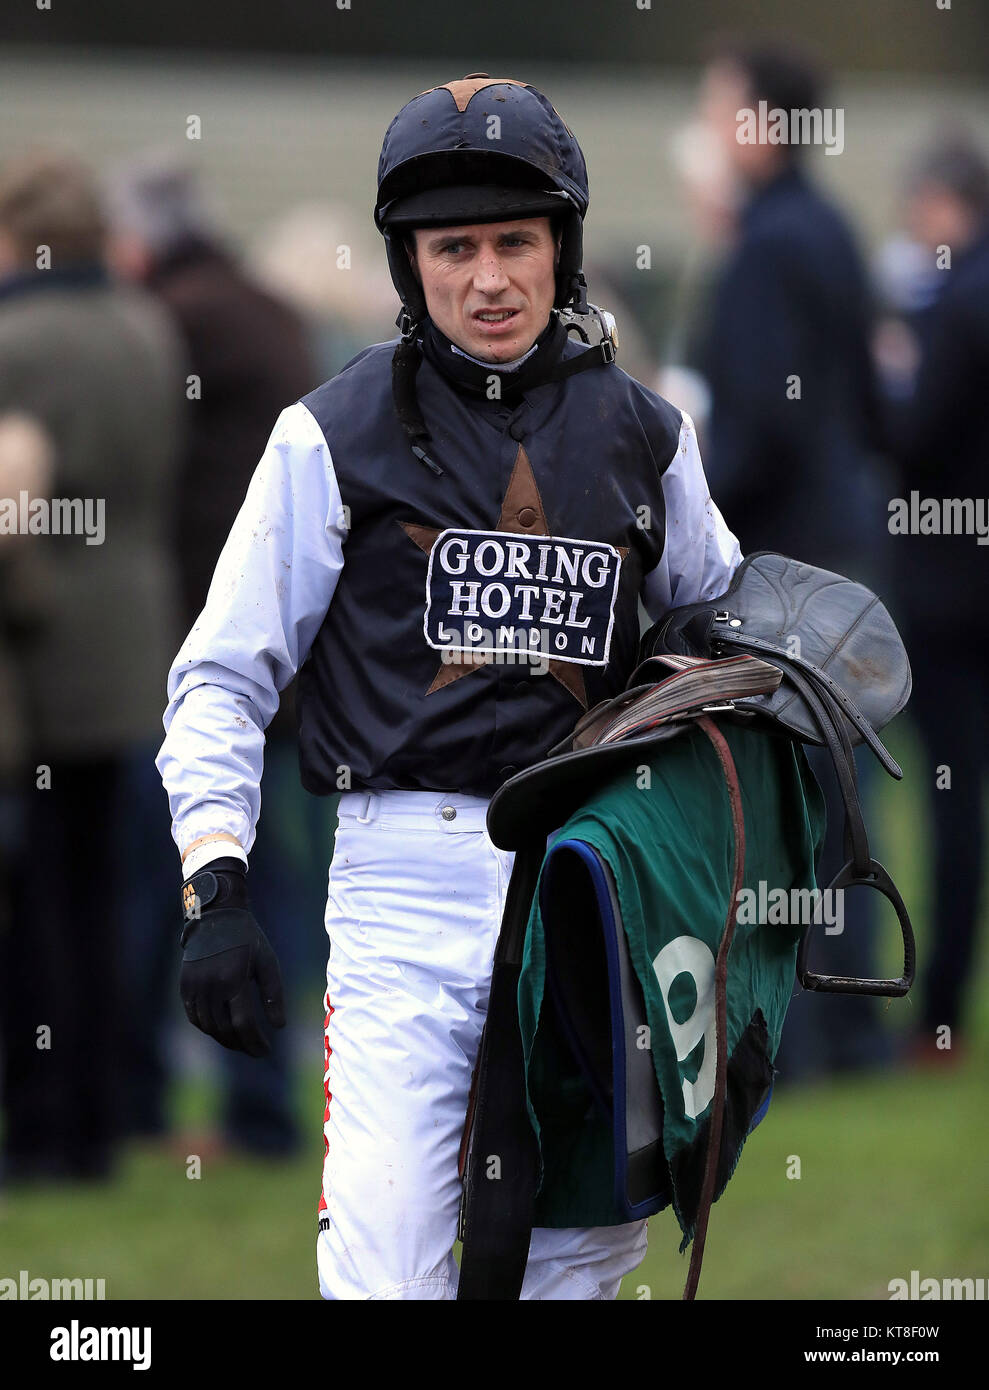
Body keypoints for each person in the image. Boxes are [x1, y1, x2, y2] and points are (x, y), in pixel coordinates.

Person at [157, 74, 742, 1300]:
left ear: (561, 249)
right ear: (406, 261)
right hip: (398, 901)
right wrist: (215, 882)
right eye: (452, 246)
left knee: (574, 1266)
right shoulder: (324, 435)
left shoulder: (649, 436)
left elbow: (726, 637)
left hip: (596, 893)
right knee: (387, 1272)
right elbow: (220, 675)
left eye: (514, 241)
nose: (487, 277)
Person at [105, 153, 324, 1156]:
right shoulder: (262, 308)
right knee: (260, 873)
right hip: (283, 653)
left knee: (196, 879)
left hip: (214, 660)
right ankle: (257, 1105)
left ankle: (217, 1106)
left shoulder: (177, 321)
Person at [691, 40, 895, 1079]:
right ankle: (850, 1022)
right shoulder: (831, 229)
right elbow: (864, 404)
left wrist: (692, 518)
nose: (706, 124)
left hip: (783, 570)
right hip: (840, 552)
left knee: (789, 811)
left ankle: (813, 1037)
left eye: (717, 105)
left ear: (762, 122)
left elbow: (760, 423)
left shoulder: (766, 244)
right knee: (836, 804)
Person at [0, 148, 184, 1181]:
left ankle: (46, 1127)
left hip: (38, 642)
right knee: (106, 889)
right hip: (135, 631)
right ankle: (110, 1113)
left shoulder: (13, 339)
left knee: (38, 904)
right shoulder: (146, 327)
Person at [884, 135, 989, 1060]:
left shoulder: (954, 306)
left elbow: (915, 438)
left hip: (953, 594)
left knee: (954, 809)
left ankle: (939, 1014)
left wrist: (888, 373)